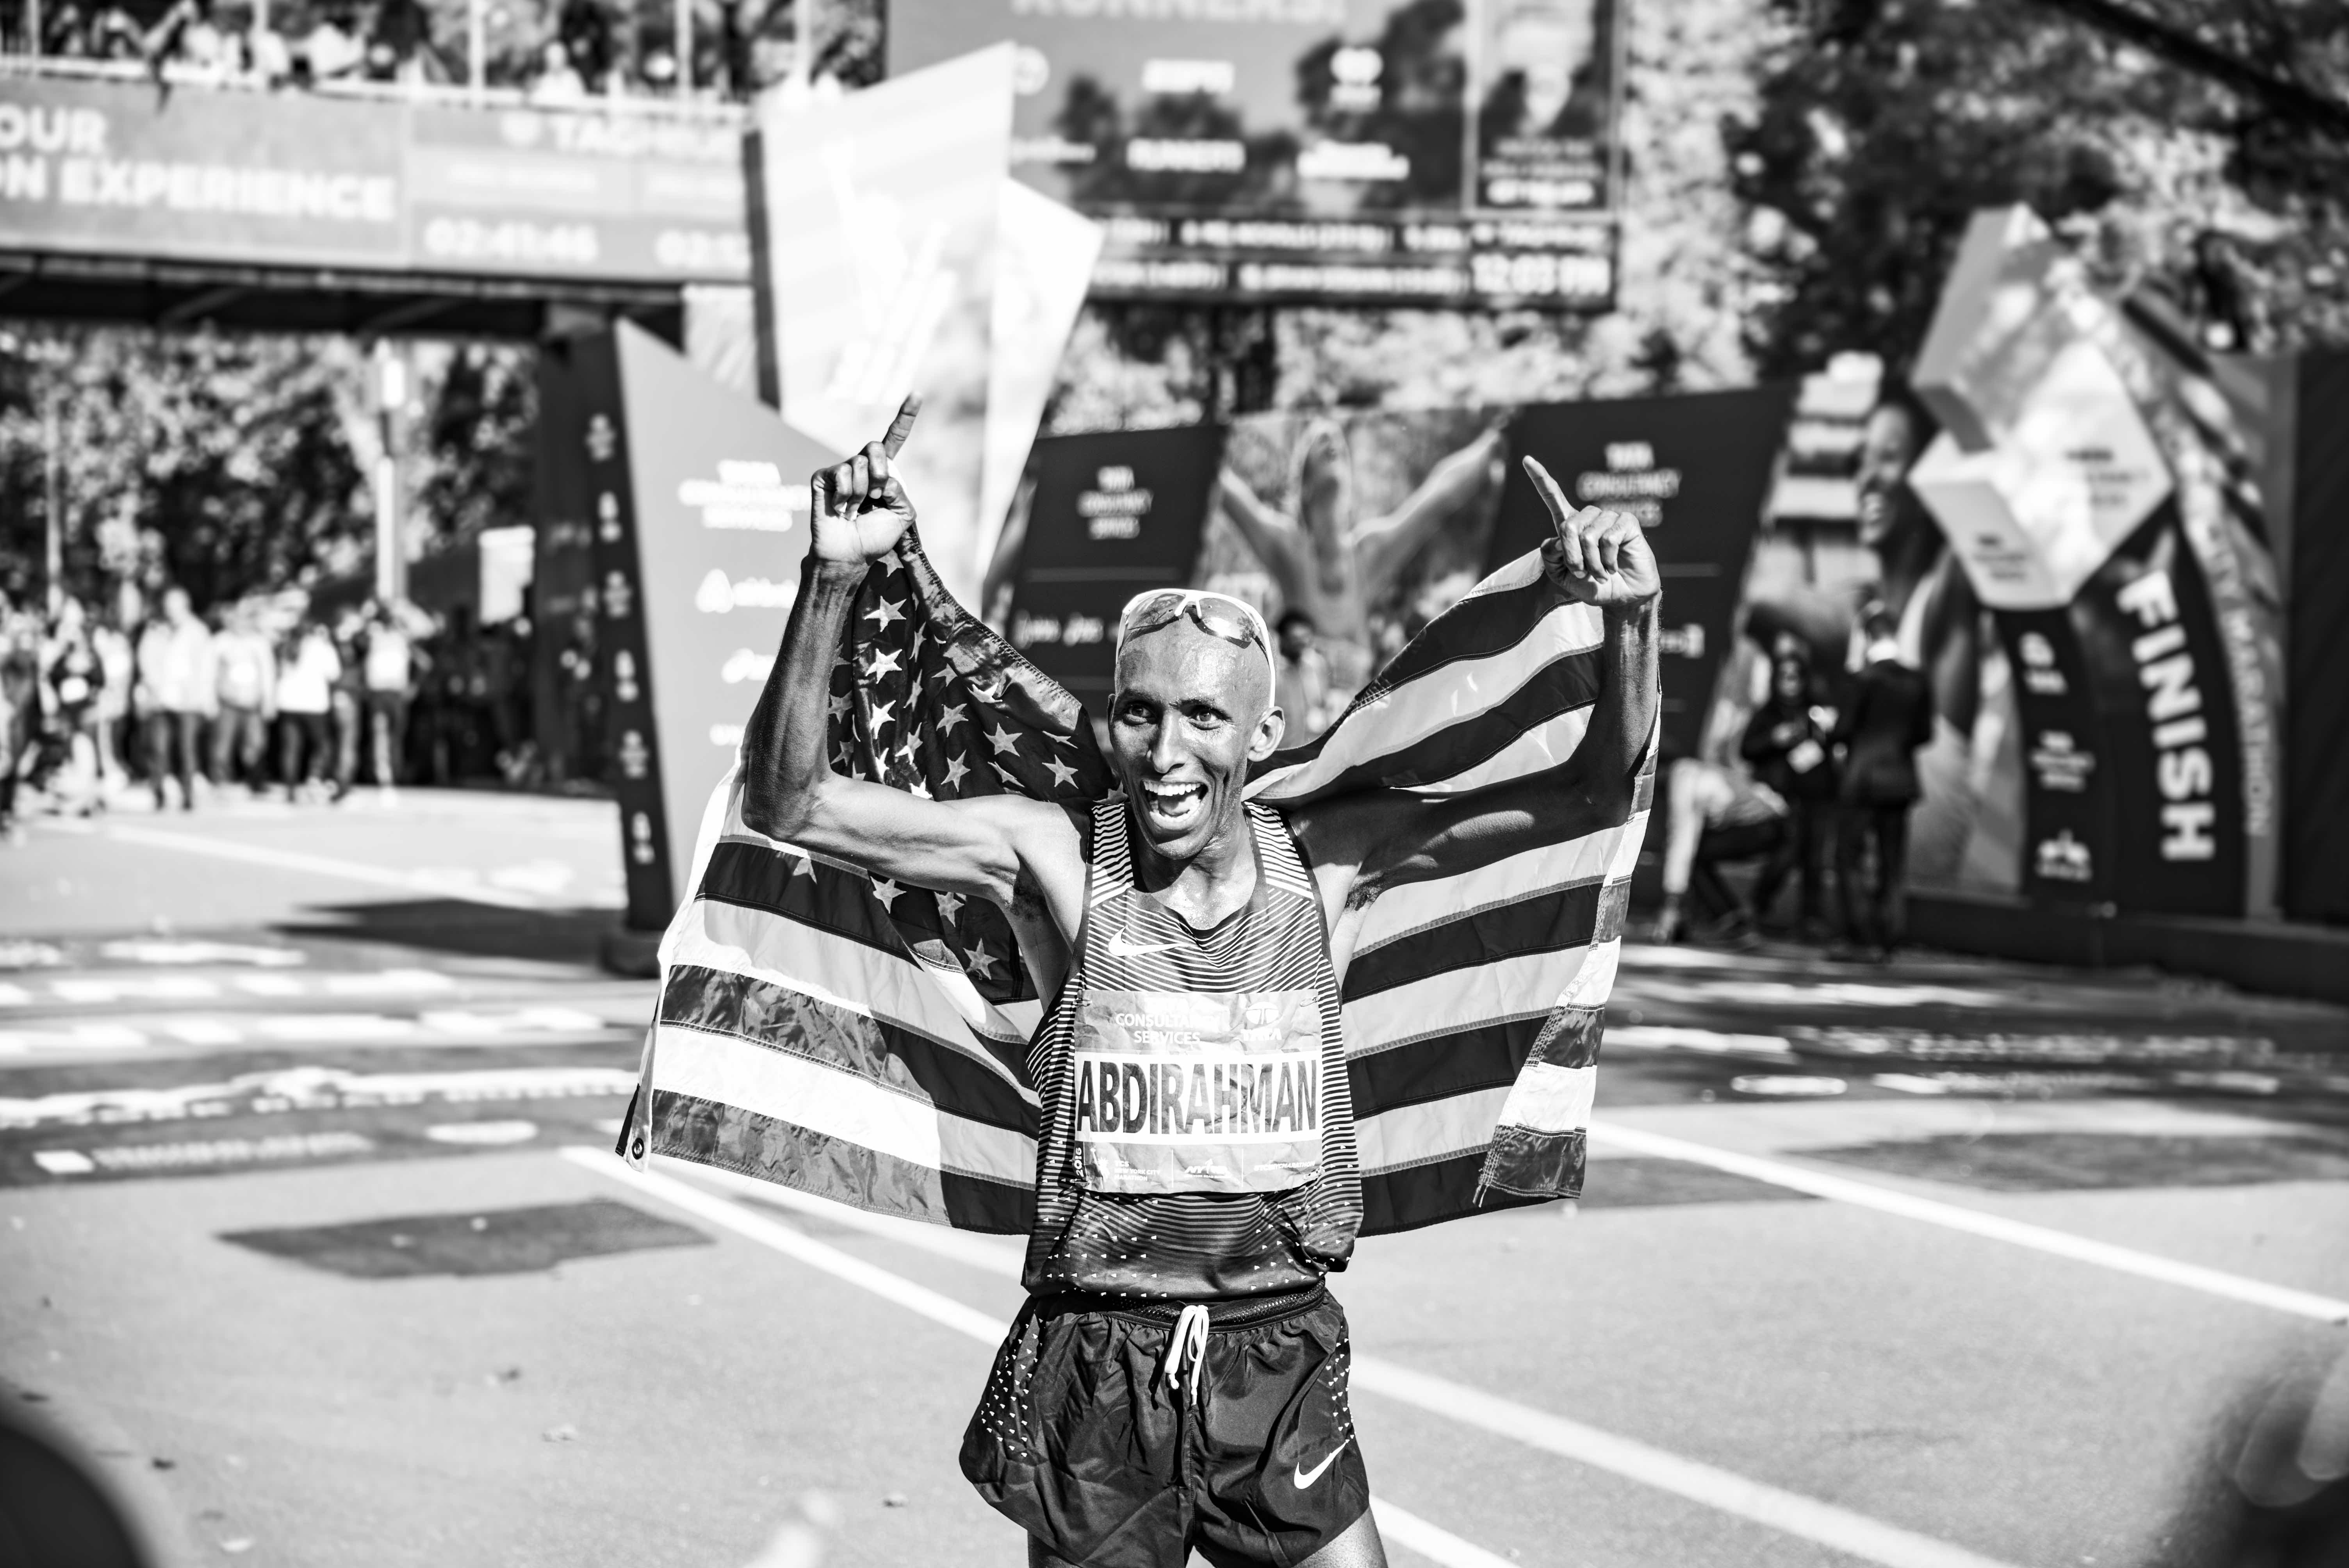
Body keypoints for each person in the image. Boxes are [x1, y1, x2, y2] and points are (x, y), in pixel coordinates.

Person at [736, 401, 1662, 1568]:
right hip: (1099, 1367)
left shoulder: (1327, 866)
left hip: (1276, 1354)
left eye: (1202, 719)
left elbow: (1587, 794)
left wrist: (1628, 623)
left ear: (1262, 731)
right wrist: (828, 582)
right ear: (1111, 722)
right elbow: (792, 806)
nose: (1168, 753)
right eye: (1139, 712)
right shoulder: (1057, 861)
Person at [1832, 608, 1936, 960]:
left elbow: (1842, 731)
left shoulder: (1863, 680)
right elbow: (1924, 734)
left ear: (1867, 638)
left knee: (1850, 858)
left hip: (1862, 782)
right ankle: (1890, 936)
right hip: (1900, 782)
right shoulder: (1917, 680)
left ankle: (1861, 939)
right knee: (1893, 863)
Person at [1739, 637, 1838, 934]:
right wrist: (1775, 739)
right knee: (1786, 855)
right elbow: (1747, 750)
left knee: (1815, 860)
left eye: (1796, 677)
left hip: (1816, 796)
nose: (1791, 684)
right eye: (1785, 677)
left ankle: (1811, 919)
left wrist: (1827, 732)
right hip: (1782, 798)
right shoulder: (1767, 714)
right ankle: (1756, 906)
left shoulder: (1815, 713)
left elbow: (1830, 751)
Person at [1651, 752, 1789, 945]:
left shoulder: (1682, 778)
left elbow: (1681, 840)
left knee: (1692, 857)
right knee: (1695, 855)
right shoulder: (1698, 768)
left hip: (1765, 825)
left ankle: (1731, 920)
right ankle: (1710, 918)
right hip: (1774, 822)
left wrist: (1671, 904)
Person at [135, 587, 212, 812]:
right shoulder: (155, 630)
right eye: (169, 606)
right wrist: (153, 684)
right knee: (158, 749)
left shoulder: (198, 631)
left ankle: (188, 795)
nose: (172, 611)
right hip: (160, 699)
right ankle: (158, 793)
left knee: (187, 750)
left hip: (188, 701)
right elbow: (145, 659)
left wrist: (203, 696)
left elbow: (207, 667)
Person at [273, 618, 340, 802]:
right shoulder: (320, 646)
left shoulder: (286, 646)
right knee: (322, 747)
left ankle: (290, 790)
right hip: (313, 704)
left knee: (291, 748)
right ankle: (315, 777)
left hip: (288, 704)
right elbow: (334, 673)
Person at [209, 605, 274, 793]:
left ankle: (255, 780)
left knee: (256, 744)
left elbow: (268, 673)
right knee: (222, 744)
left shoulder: (259, 642)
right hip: (227, 701)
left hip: (252, 702)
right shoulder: (221, 641)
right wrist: (210, 699)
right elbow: (210, 672)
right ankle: (220, 780)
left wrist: (269, 700)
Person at [362, 599, 418, 790]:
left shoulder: (402, 636)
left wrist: (414, 686)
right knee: (381, 733)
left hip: (396, 692)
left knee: (395, 734)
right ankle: (384, 773)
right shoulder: (373, 635)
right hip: (379, 691)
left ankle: (396, 771)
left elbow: (424, 660)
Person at [1272, 608, 1333, 742]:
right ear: (1283, 638)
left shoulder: (1315, 665)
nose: (1301, 643)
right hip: (1280, 748)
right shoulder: (1274, 671)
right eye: (1295, 639)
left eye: (1305, 638)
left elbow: (1324, 703)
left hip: (1310, 745)